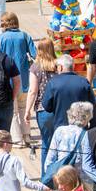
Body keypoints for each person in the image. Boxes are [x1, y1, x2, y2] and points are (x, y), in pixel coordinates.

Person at [0, 11, 36, 147]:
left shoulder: (1, 38)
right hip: (24, 77)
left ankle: (17, 139)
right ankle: (27, 135)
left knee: (12, 111)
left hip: (8, 79)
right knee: (24, 108)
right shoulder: (25, 35)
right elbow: (34, 54)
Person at [41, 54, 96, 141]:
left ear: (60, 67)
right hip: (81, 129)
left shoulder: (53, 83)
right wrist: (93, 127)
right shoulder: (83, 82)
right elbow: (92, 107)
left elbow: (47, 106)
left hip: (61, 128)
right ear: (73, 66)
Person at [26, 38, 60, 167]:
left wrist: (28, 110)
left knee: (46, 143)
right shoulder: (59, 65)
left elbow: (32, 91)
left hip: (43, 109)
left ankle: (46, 177)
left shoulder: (35, 68)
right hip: (59, 109)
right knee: (60, 145)